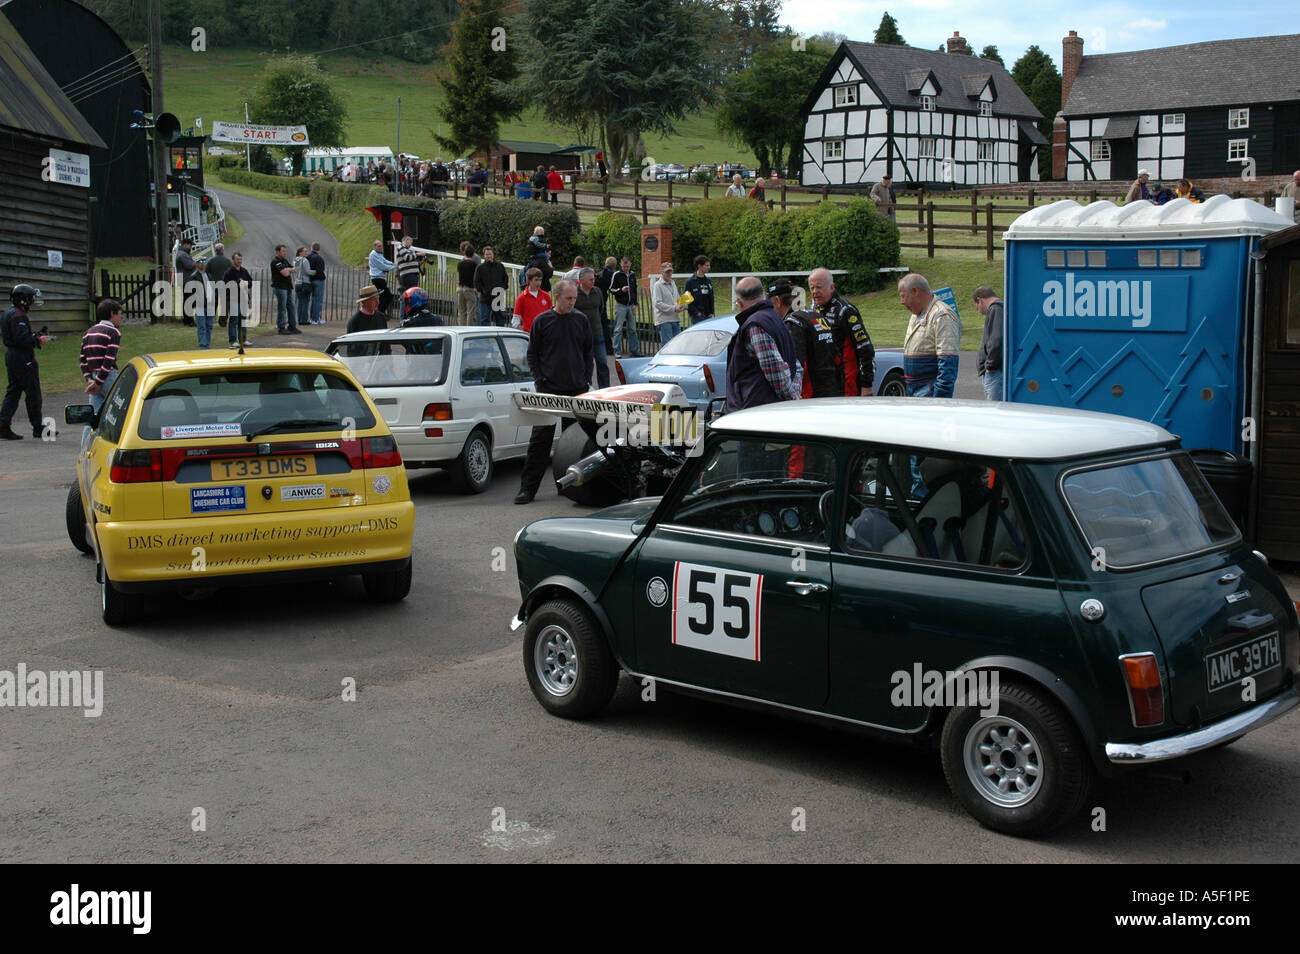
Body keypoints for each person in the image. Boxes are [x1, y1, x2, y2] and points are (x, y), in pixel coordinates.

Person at [515, 279, 595, 504]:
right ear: (557, 297)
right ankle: (527, 489)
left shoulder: (581, 320)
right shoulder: (543, 321)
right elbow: (532, 355)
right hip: (549, 391)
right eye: (568, 298)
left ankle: (570, 487)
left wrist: (585, 379)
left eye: (574, 299)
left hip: (576, 390)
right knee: (540, 442)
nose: (572, 303)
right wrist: (540, 380)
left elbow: (588, 353)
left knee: (576, 443)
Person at [899, 272, 960, 495]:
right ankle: (918, 492)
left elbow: (948, 363)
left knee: (923, 450)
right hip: (914, 391)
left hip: (928, 393)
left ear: (916, 291)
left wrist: (938, 401)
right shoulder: (918, 315)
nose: (901, 301)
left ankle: (925, 496)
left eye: (903, 295)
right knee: (914, 447)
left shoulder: (942, 315)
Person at [724, 276, 801, 414]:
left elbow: (776, 373)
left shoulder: (756, 325)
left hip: (757, 411)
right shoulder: (777, 319)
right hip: (774, 410)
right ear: (763, 296)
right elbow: (797, 366)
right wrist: (795, 395)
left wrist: (793, 401)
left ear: (739, 303)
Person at [808, 267, 875, 395]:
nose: (815, 292)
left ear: (832, 287)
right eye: (812, 288)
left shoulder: (845, 311)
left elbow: (865, 348)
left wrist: (867, 384)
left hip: (847, 381)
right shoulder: (812, 310)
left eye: (819, 287)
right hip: (824, 381)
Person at [0, 283, 51, 440]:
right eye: (29, 299)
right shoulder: (18, 316)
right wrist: (38, 340)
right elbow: (22, 339)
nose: (31, 302)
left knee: (14, 391)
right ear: (23, 300)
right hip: (23, 358)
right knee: (33, 392)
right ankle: (37, 427)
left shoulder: (8, 313)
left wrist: (35, 335)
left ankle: (3, 424)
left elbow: (18, 336)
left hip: (12, 356)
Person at [80, 298, 123, 413]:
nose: (121, 317)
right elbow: (109, 360)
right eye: (120, 313)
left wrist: (90, 379)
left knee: (94, 416)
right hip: (107, 377)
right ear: (112, 314)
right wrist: (99, 382)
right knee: (118, 412)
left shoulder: (88, 332)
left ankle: (89, 432)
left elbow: (83, 360)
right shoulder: (113, 332)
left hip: (93, 377)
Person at [575, 268, 609, 388]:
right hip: (581, 335)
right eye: (590, 279)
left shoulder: (597, 292)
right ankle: (586, 387)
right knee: (585, 364)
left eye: (594, 279)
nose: (593, 281)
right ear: (581, 280)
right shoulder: (575, 294)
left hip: (597, 332)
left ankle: (605, 389)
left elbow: (601, 309)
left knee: (603, 363)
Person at [973, 285, 1004, 401]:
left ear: (979, 300)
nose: (979, 311)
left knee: (995, 409)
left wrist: (990, 366)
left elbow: (996, 340)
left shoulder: (995, 309)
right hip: (994, 371)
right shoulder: (999, 309)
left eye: (977, 308)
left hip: (995, 373)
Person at [221, 252, 253, 349]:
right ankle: (233, 340)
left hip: (243, 299)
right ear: (233, 260)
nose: (239, 261)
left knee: (243, 320)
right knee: (234, 320)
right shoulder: (229, 272)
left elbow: (251, 282)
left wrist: (246, 283)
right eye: (237, 259)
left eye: (240, 259)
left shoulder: (244, 271)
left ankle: (243, 339)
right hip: (233, 299)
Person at [651, 263, 687, 345]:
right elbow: (657, 303)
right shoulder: (657, 285)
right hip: (664, 320)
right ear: (662, 272)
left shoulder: (673, 283)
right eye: (667, 272)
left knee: (677, 345)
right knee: (667, 346)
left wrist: (684, 305)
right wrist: (674, 308)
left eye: (670, 271)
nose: (669, 274)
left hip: (675, 319)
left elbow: (677, 299)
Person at [609, 257, 639, 356]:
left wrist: (635, 304)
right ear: (621, 265)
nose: (626, 268)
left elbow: (635, 290)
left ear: (630, 265)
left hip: (631, 306)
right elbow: (611, 289)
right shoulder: (616, 275)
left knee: (633, 329)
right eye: (624, 266)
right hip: (620, 305)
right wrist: (621, 289)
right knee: (618, 329)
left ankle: (634, 351)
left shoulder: (632, 274)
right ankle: (617, 351)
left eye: (627, 266)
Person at [474, 245, 509, 326]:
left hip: (498, 297)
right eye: (487, 254)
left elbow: (505, 278)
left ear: (493, 254)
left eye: (490, 254)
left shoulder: (500, 265)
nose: (488, 256)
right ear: (484, 255)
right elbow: (476, 281)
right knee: (485, 319)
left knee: (500, 319)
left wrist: (503, 288)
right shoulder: (480, 268)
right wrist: (483, 290)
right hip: (485, 298)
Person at [512, 268, 552, 334]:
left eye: (540, 280)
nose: (539, 283)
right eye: (536, 280)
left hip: (545, 334)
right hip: (529, 335)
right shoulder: (521, 298)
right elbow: (515, 321)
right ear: (529, 281)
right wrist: (525, 332)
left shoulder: (546, 296)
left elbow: (551, 316)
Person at [270, 244, 299, 334]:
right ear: (278, 252)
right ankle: (281, 328)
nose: (284, 253)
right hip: (280, 287)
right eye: (283, 251)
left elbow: (294, 269)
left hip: (287, 287)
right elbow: (285, 274)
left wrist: (288, 269)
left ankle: (292, 326)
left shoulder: (284, 260)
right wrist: (288, 269)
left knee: (291, 307)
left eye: (285, 251)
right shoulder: (276, 261)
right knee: (282, 308)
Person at [188, 259, 215, 348]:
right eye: (200, 262)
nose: (203, 264)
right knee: (202, 326)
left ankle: (207, 344)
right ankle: (203, 345)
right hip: (200, 305)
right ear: (196, 263)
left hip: (210, 304)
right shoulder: (194, 277)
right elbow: (192, 292)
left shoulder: (209, 275)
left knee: (209, 325)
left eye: (204, 262)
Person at [206, 243, 233, 328]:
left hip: (213, 285)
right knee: (224, 304)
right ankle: (223, 322)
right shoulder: (228, 261)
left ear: (215, 250)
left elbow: (206, 273)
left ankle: (210, 320)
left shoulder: (211, 261)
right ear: (222, 250)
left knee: (213, 303)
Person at [595, 256, 617, 355]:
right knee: (604, 324)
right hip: (602, 300)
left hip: (594, 299)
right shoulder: (612, 274)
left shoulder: (599, 272)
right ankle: (608, 348)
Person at [368, 240, 396, 313]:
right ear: (374, 246)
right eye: (379, 246)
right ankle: (380, 313)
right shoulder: (373, 254)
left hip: (380, 278)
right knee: (387, 296)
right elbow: (382, 266)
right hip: (377, 278)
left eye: (381, 246)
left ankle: (380, 313)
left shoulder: (379, 254)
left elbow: (385, 261)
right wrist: (394, 267)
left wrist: (393, 263)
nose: (381, 248)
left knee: (382, 297)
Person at [174, 237, 197, 326]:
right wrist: (196, 263)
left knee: (187, 300)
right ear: (185, 244)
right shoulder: (183, 255)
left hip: (184, 279)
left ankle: (188, 319)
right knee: (189, 301)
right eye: (190, 245)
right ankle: (189, 320)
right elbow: (190, 266)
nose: (191, 247)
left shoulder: (181, 253)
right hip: (186, 280)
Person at [684, 255, 715, 321]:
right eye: (706, 265)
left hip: (708, 316)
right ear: (699, 266)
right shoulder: (690, 282)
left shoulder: (708, 281)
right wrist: (697, 313)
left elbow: (711, 297)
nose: (709, 267)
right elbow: (687, 300)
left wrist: (711, 312)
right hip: (697, 317)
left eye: (709, 265)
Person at [293, 246, 313, 330]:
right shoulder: (305, 260)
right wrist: (315, 272)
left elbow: (295, 270)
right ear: (300, 253)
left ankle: (299, 319)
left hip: (297, 282)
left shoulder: (295, 260)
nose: (306, 253)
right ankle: (304, 319)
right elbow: (308, 271)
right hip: (304, 282)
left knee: (300, 302)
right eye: (305, 252)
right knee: (305, 301)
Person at [307, 242, 327, 324]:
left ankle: (312, 318)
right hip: (318, 280)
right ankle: (316, 318)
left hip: (310, 280)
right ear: (318, 249)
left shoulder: (307, 257)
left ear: (311, 248)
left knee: (313, 299)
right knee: (318, 300)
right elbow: (320, 270)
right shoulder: (319, 258)